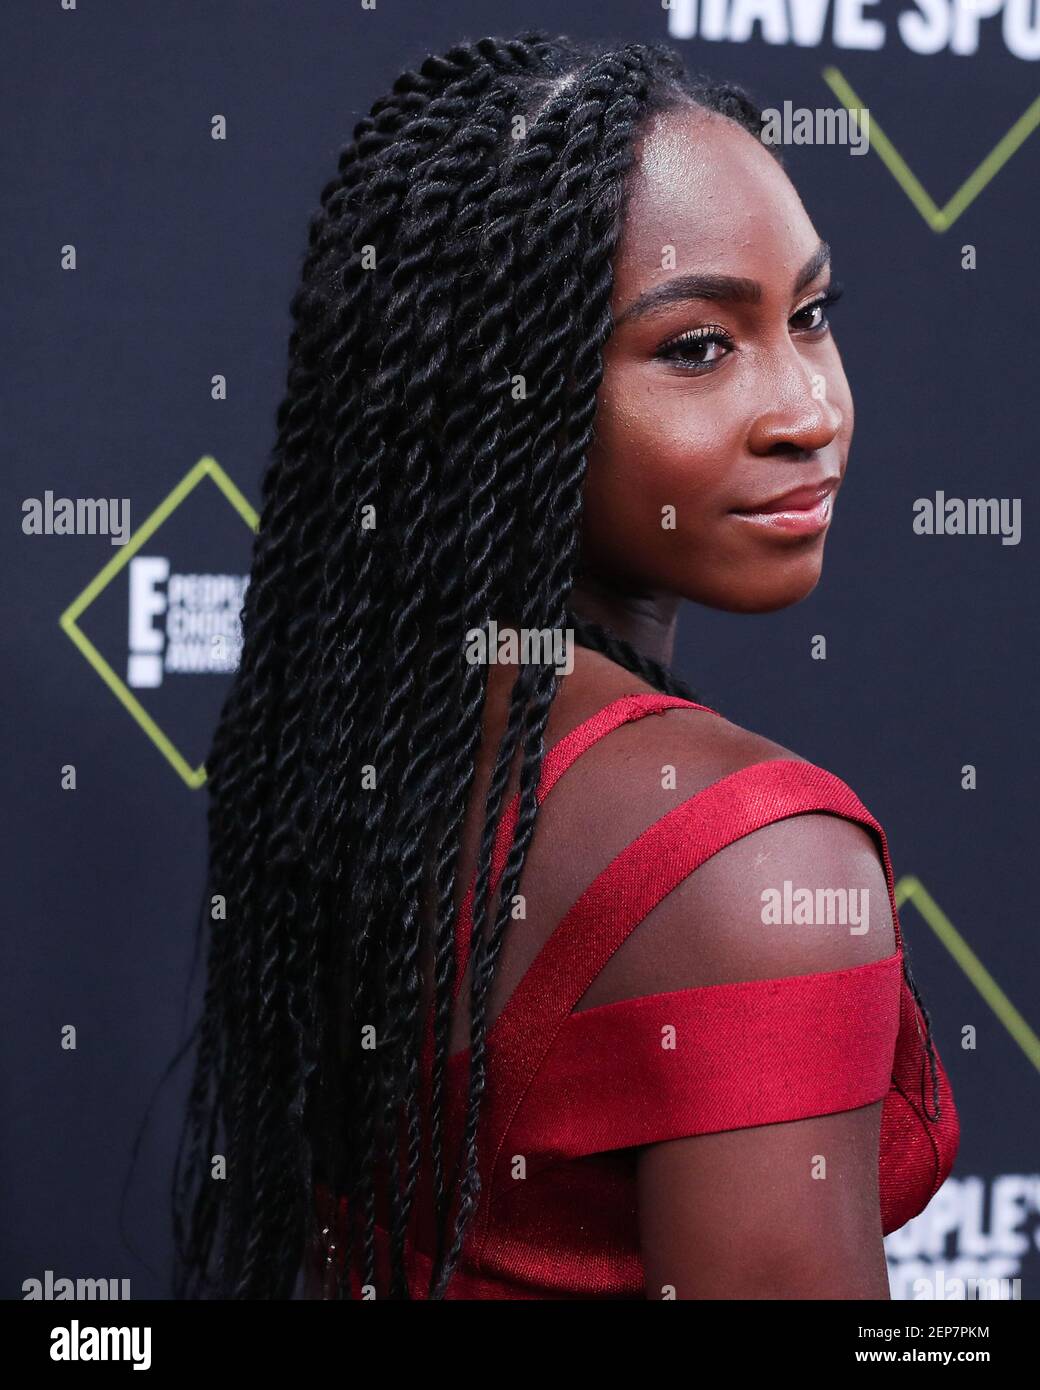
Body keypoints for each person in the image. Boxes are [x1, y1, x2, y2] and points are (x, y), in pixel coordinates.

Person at [172, 29, 959, 1301]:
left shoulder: (375, 748)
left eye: (809, 316)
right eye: (696, 345)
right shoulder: (752, 863)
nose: (807, 408)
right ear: (499, 396)